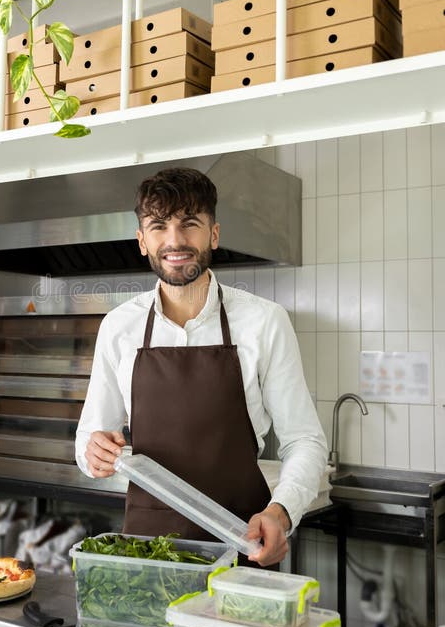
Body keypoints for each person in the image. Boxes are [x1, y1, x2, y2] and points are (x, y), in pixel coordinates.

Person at [75, 167, 328, 567]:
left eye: (189, 224)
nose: (175, 241)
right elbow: (88, 438)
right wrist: (93, 453)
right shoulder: (119, 326)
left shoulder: (264, 321)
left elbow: (305, 441)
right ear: (142, 241)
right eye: (159, 226)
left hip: (244, 539)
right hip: (149, 551)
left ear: (213, 233)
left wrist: (282, 512)